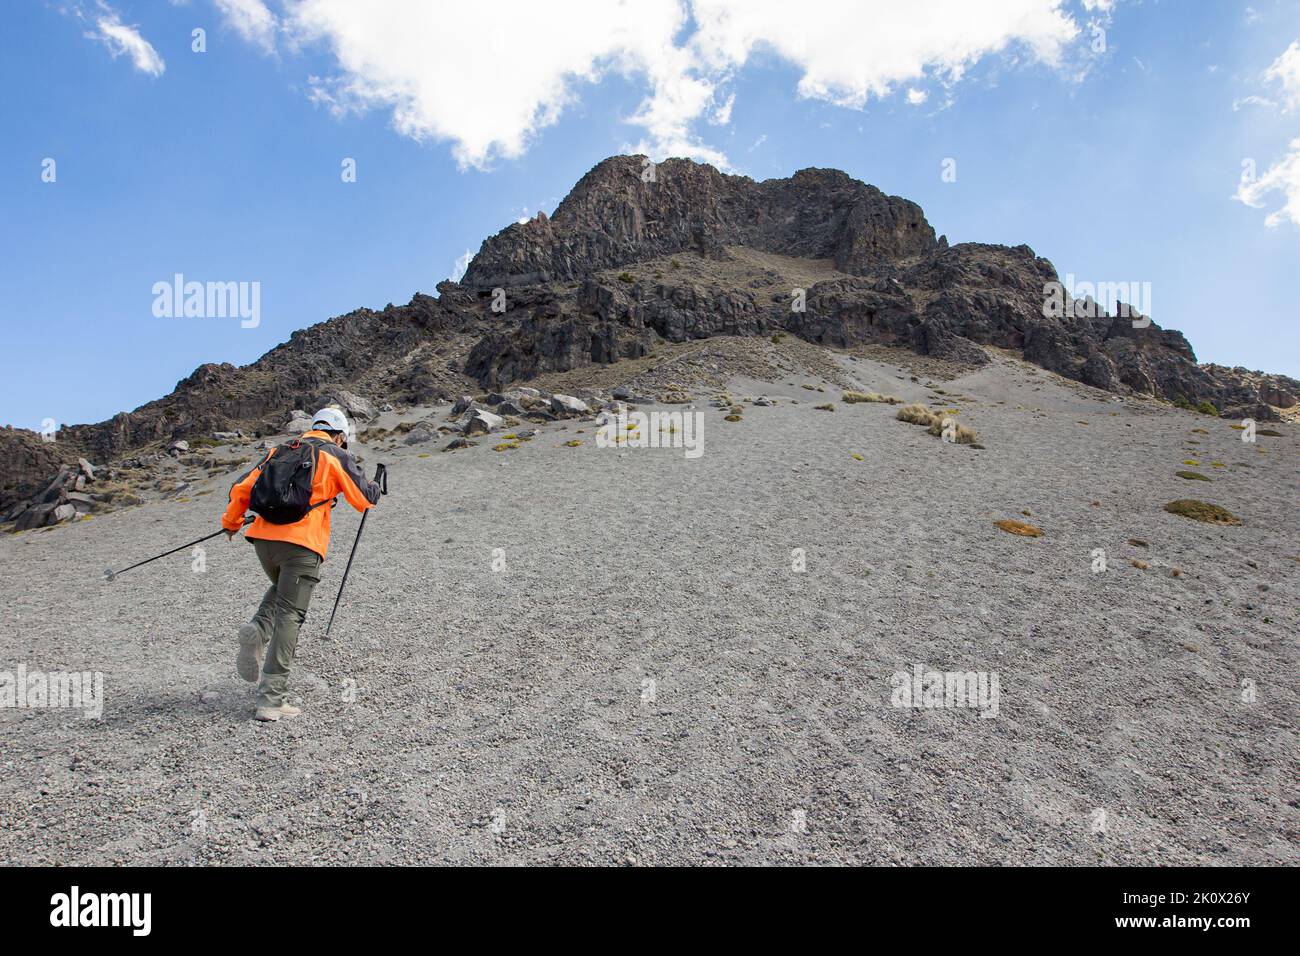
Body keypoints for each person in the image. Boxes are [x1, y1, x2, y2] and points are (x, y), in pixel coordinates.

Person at [221, 407, 381, 721]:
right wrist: (375, 488)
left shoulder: (278, 452)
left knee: (282, 592)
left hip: (263, 541)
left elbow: (241, 489)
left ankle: (256, 630)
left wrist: (230, 523)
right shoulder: (335, 455)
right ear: (338, 435)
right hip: (302, 545)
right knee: (291, 615)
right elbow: (363, 499)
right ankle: (271, 698)